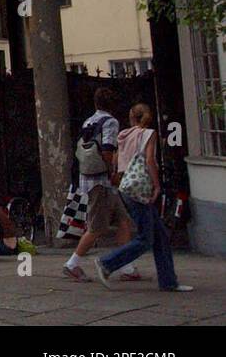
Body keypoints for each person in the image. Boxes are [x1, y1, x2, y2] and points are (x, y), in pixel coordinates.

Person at [96, 104, 193, 292]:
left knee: (161, 237)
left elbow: (117, 162)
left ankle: (169, 282)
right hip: (140, 189)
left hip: (127, 187)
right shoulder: (148, 134)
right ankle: (107, 262)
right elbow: (149, 160)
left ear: (131, 117)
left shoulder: (124, 135)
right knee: (146, 238)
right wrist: (157, 185)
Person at [63, 87, 134, 282]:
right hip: (102, 181)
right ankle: (72, 264)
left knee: (123, 220)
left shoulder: (89, 121)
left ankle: (126, 266)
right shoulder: (110, 122)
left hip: (90, 178)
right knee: (96, 226)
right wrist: (113, 171)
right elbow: (108, 148)